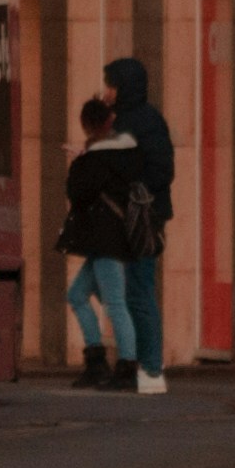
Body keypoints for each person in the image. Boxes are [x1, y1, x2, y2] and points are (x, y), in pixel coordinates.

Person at [59, 95, 146, 390]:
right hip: (109, 241)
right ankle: (97, 361)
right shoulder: (122, 153)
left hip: (105, 241)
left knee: (114, 303)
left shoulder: (98, 156)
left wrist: (80, 160)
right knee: (77, 295)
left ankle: (126, 367)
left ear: (86, 124)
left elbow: (77, 191)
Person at [99, 57, 174, 395]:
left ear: (124, 87)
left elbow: (162, 170)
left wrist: (128, 182)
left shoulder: (147, 122)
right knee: (125, 292)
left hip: (142, 220)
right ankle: (138, 364)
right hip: (121, 219)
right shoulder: (121, 120)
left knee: (140, 292)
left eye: (111, 85)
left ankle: (152, 368)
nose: (106, 92)